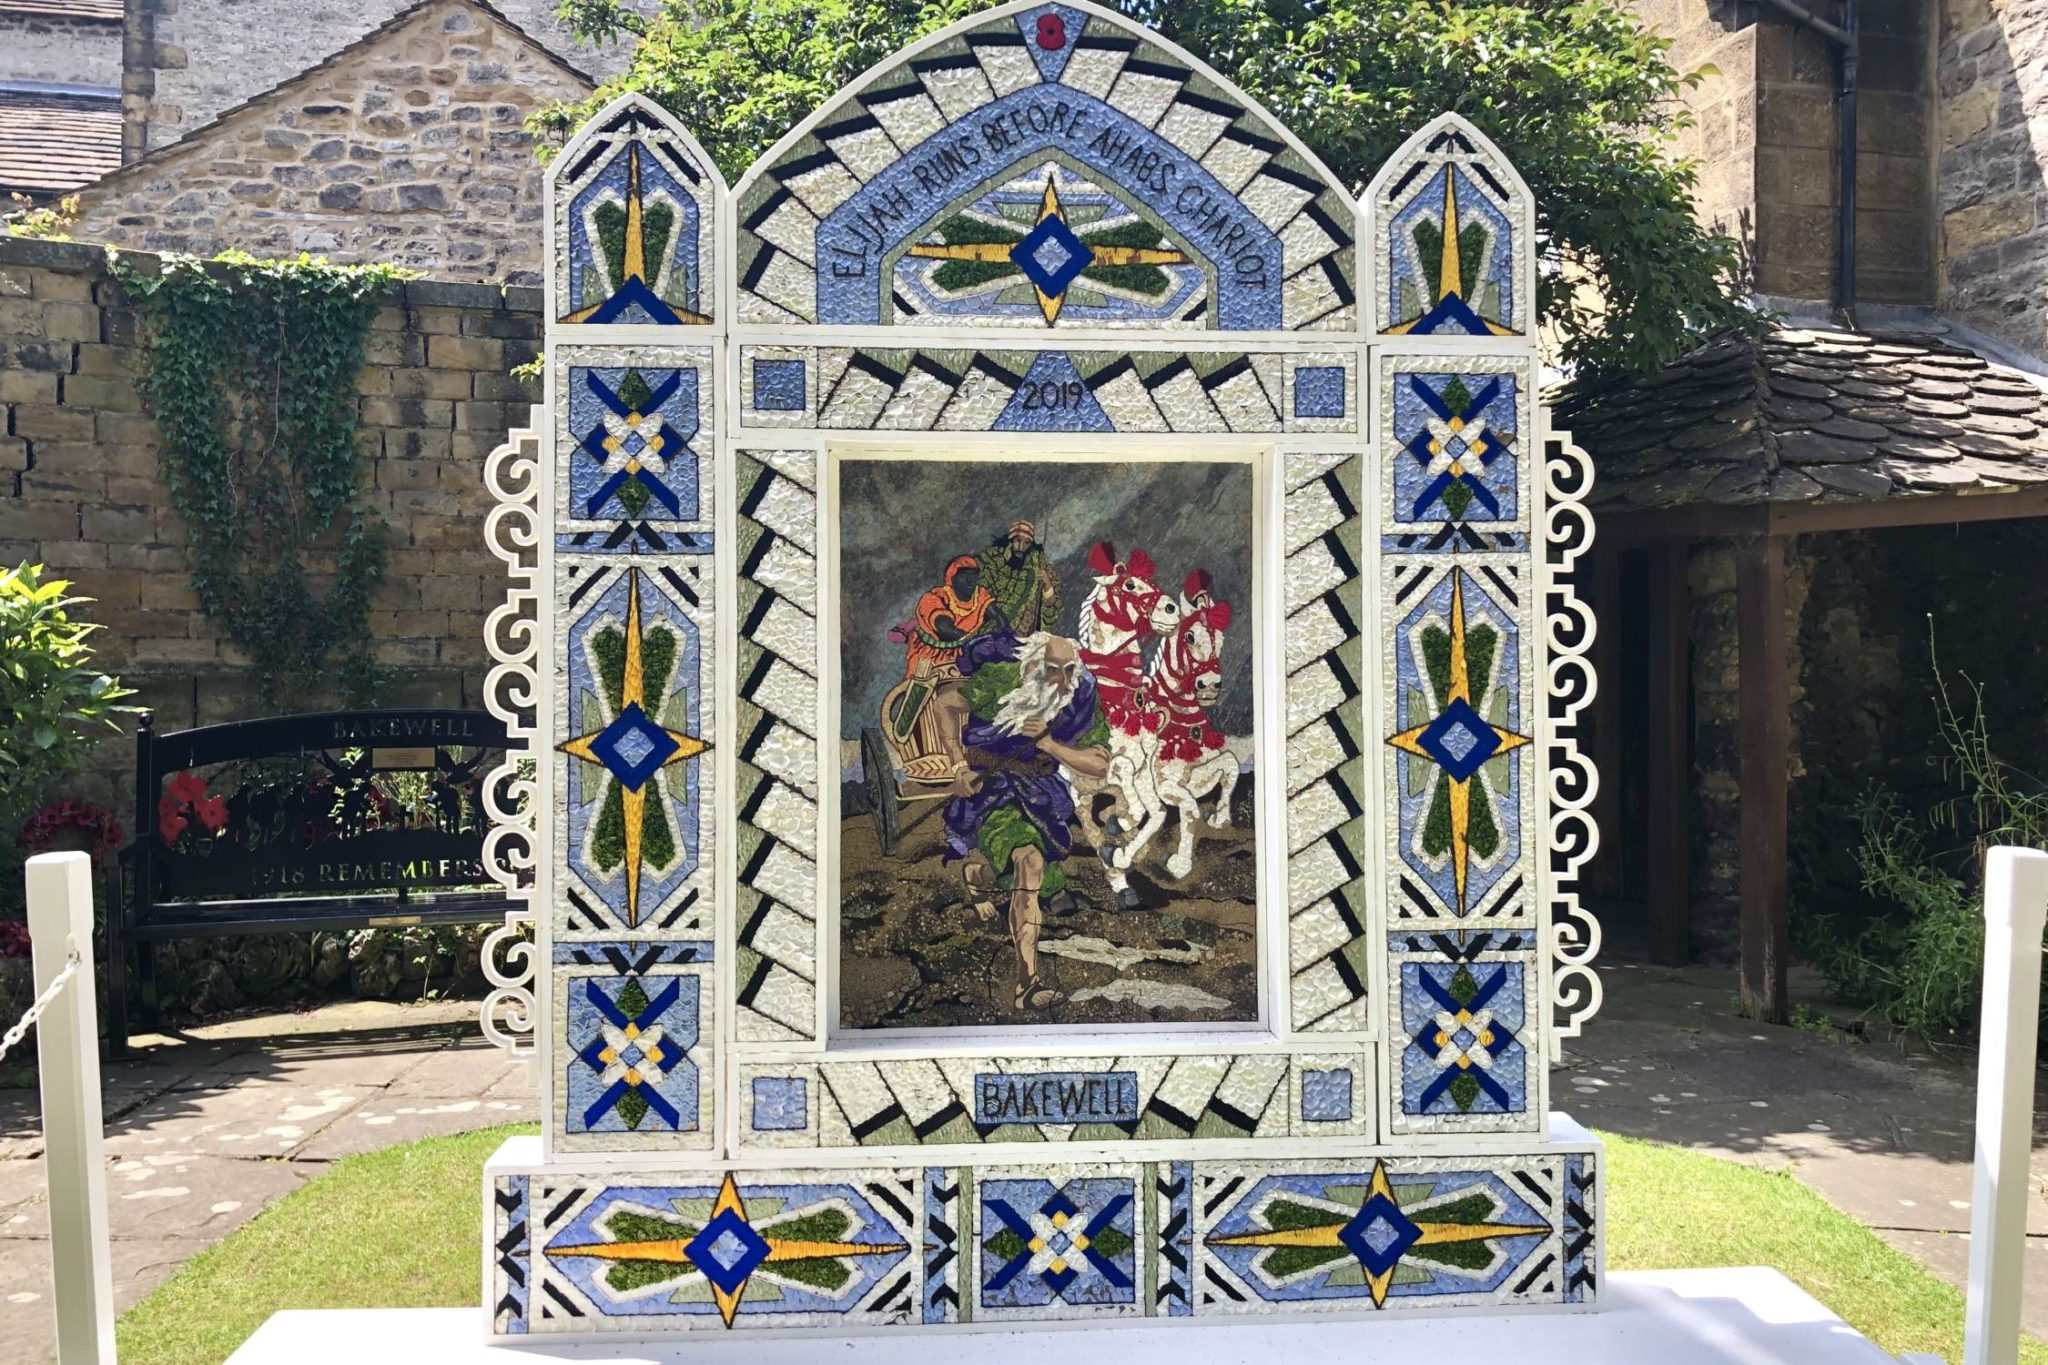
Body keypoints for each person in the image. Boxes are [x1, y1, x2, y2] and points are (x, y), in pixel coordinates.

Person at [929, 629, 1111, 1012]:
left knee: (1033, 869)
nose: (1061, 680)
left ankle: (977, 876)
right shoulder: (1000, 680)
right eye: (1052, 670)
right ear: (1030, 666)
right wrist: (958, 766)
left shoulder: (1078, 696)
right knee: (1029, 863)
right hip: (991, 791)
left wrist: (1049, 745)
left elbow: (1099, 763)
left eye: (1068, 670)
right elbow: (945, 704)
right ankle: (1027, 984)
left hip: (1042, 795)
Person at [902, 554, 998, 681]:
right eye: (964, 576)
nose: (970, 581)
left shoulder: (980, 596)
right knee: (920, 692)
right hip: (929, 655)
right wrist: (976, 643)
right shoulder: (933, 598)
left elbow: (999, 618)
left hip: (962, 655)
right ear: (952, 577)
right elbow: (944, 628)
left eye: (973, 576)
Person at [978, 519, 1063, 636]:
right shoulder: (993, 559)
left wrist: (1047, 583)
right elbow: (980, 592)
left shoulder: (1039, 564)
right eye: (1018, 541)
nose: (1021, 547)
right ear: (1011, 540)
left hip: (1025, 632)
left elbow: (1052, 604)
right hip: (993, 625)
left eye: (1027, 543)